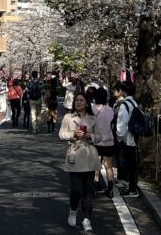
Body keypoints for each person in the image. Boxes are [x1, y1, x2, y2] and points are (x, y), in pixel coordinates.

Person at [59, 93, 102, 232]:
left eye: (81, 100)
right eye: (76, 100)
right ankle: (73, 211)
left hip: (90, 156)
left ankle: (86, 218)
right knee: (76, 190)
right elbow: (61, 134)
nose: (78, 102)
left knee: (88, 192)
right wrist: (73, 134)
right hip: (74, 156)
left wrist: (90, 136)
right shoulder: (68, 117)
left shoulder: (93, 118)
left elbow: (100, 136)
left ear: (87, 103)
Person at [113, 81, 141, 198]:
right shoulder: (134, 103)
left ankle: (132, 189)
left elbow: (121, 125)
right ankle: (132, 187)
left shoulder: (124, 105)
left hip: (127, 139)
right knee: (133, 164)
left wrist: (119, 138)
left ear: (124, 91)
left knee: (130, 164)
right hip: (134, 137)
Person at [91, 87, 116, 196]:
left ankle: (95, 186)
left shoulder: (92, 108)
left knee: (96, 166)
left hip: (96, 141)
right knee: (108, 166)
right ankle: (110, 189)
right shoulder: (109, 109)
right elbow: (112, 124)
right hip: (108, 142)